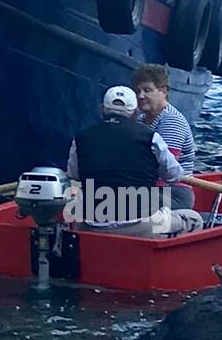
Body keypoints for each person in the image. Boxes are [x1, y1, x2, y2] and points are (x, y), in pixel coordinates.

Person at [66, 86, 204, 237]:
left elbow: (74, 174)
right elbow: (174, 175)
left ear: (102, 110)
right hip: (140, 223)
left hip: (93, 223)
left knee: (75, 217)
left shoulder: (81, 138)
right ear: (134, 113)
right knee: (193, 219)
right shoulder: (151, 137)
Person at [131, 64, 197, 210]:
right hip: (149, 188)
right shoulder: (141, 120)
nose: (140, 96)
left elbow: (165, 169)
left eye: (147, 90)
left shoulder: (171, 120)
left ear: (163, 91)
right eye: (137, 91)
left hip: (173, 193)